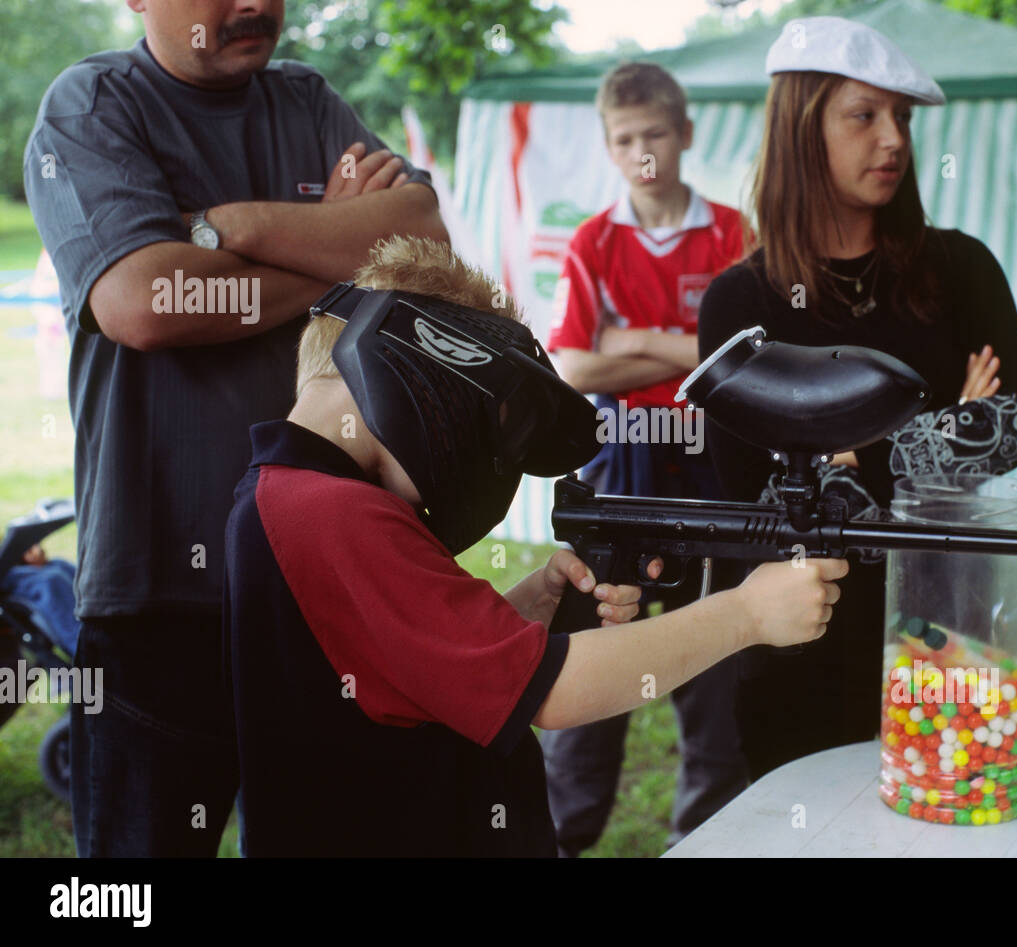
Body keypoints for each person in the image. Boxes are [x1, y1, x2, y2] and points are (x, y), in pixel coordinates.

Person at [223, 235, 849, 856]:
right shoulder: (330, 510)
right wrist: (746, 614)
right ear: (412, 360)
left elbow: (397, 677)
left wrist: (520, 614)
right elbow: (553, 693)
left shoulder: (287, 498)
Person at [22, 0, 446, 856]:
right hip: (156, 589)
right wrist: (336, 252)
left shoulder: (310, 100)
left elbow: (425, 240)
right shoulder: (93, 105)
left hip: (324, 580)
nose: (254, 3)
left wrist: (227, 228)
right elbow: (148, 301)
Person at [697, 17, 1017, 780]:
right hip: (800, 653)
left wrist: (859, 454)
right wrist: (946, 434)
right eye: (864, 116)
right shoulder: (740, 303)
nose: (893, 139)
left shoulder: (959, 269)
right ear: (800, 130)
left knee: (948, 811)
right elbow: (765, 500)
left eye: (903, 118)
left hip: (948, 629)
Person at [542, 61, 752, 855]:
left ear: (685, 133)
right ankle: (564, 834)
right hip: (623, 464)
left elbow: (746, 358)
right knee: (599, 653)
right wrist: (688, 355)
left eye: (655, 132)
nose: (643, 151)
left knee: (712, 663)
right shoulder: (594, 240)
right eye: (625, 138)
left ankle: (703, 836)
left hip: (713, 467)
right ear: (608, 144)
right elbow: (573, 366)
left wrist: (631, 340)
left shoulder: (735, 232)